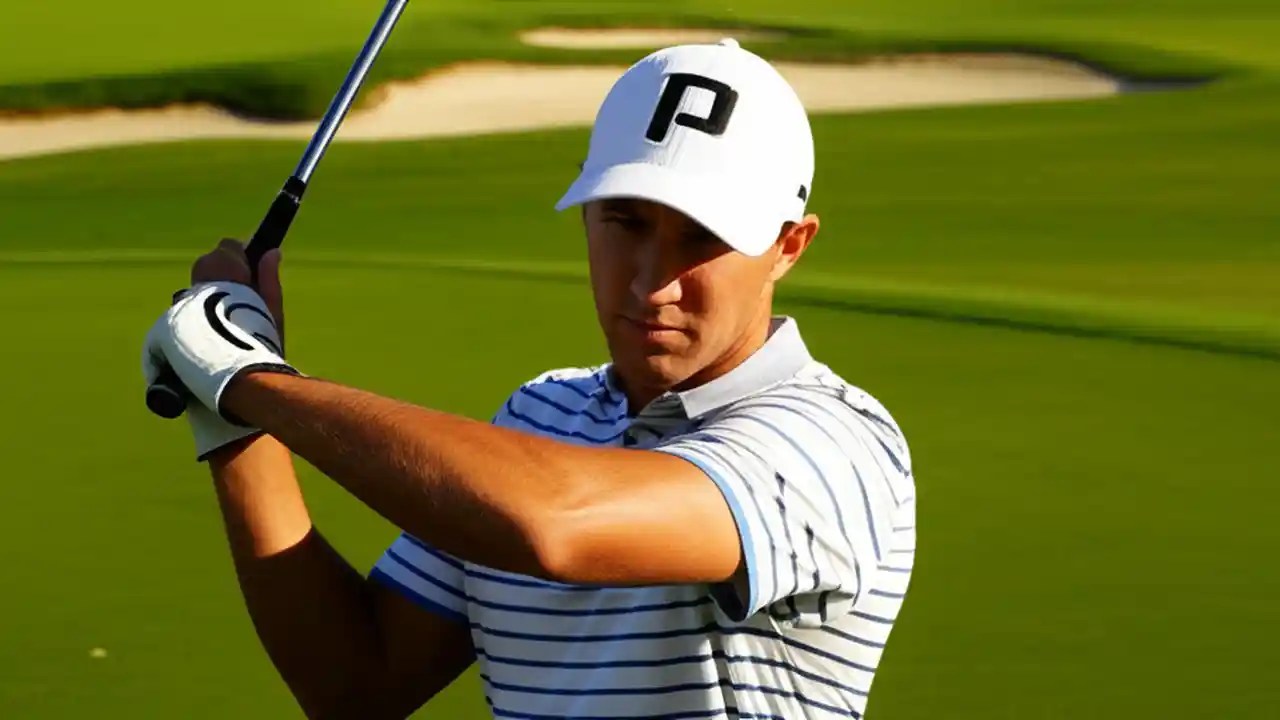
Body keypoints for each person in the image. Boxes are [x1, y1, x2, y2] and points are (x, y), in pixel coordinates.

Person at [142, 38, 917, 720]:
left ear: (789, 244)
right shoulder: (539, 417)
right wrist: (236, 426)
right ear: (585, 213)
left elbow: (555, 524)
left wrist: (253, 380)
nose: (652, 283)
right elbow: (355, 685)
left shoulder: (835, 443)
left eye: (701, 240)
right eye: (626, 223)